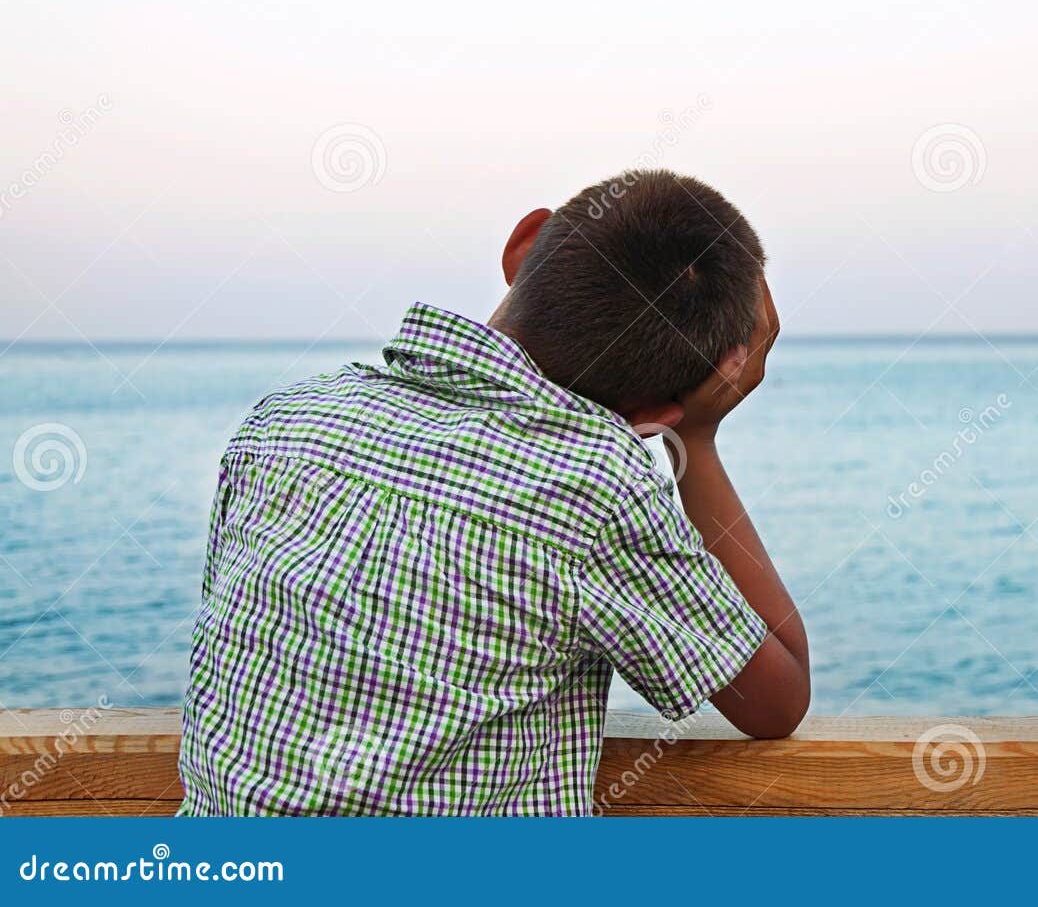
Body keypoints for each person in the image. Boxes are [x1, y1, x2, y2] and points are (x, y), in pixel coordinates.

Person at [177, 169, 808, 815]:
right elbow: (777, 699)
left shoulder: (284, 422)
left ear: (524, 244)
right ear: (654, 417)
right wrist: (697, 443)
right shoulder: (591, 491)